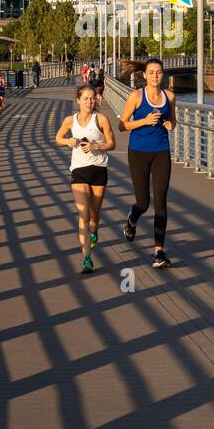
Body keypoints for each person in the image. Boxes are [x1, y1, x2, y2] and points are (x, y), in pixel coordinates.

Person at [119, 57, 175, 268]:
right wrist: (144, 121)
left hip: (161, 152)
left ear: (163, 75)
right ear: (144, 75)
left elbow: (174, 120)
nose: (155, 76)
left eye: (159, 72)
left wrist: (171, 124)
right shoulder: (136, 96)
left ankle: (158, 252)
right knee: (143, 202)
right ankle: (132, 220)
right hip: (138, 152)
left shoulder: (169, 96)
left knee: (160, 202)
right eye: (151, 72)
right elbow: (122, 125)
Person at [55, 84, 116, 274]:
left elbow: (112, 143)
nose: (90, 102)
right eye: (86, 98)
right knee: (83, 213)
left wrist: (95, 147)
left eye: (92, 98)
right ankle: (87, 258)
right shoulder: (70, 120)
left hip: (98, 169)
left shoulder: (102, 119)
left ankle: (94, 230)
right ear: (78, 101)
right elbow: (58, 137)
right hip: (79, 170)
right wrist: (68, 141)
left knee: (94, 216)